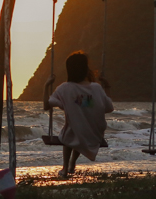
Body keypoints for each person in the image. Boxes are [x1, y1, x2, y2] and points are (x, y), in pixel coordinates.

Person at [46, 51, 114, 179]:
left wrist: (47, 85)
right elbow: (109, 108)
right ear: (85, 69)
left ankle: (65, 168)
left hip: (78, 133)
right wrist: (107, 85)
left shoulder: (64, 88)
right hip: (95, 136)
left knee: (74, 128)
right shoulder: (97, 88)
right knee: (79, 123)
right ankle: (72, 164)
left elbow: (47, 105)